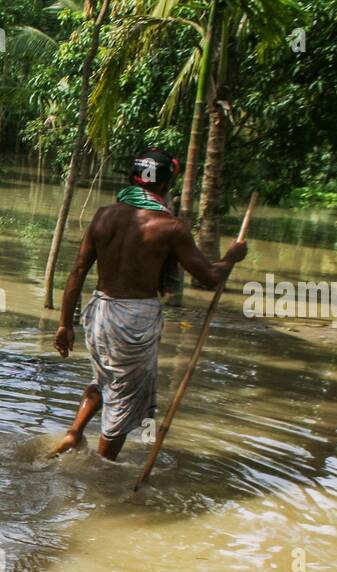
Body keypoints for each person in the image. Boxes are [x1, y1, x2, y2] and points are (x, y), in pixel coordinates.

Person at [51, 146, 247, 459]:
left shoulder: (105, 216)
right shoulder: (170, 228)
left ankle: (75, 433)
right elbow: (209, 277)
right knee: (125, 398)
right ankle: (103, 467)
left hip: (100, 311)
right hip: (135, 318)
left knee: (103, 379)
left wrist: (65, 323)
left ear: (133, 177)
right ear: (166, 185)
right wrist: (231, 257)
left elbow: (77, 271)